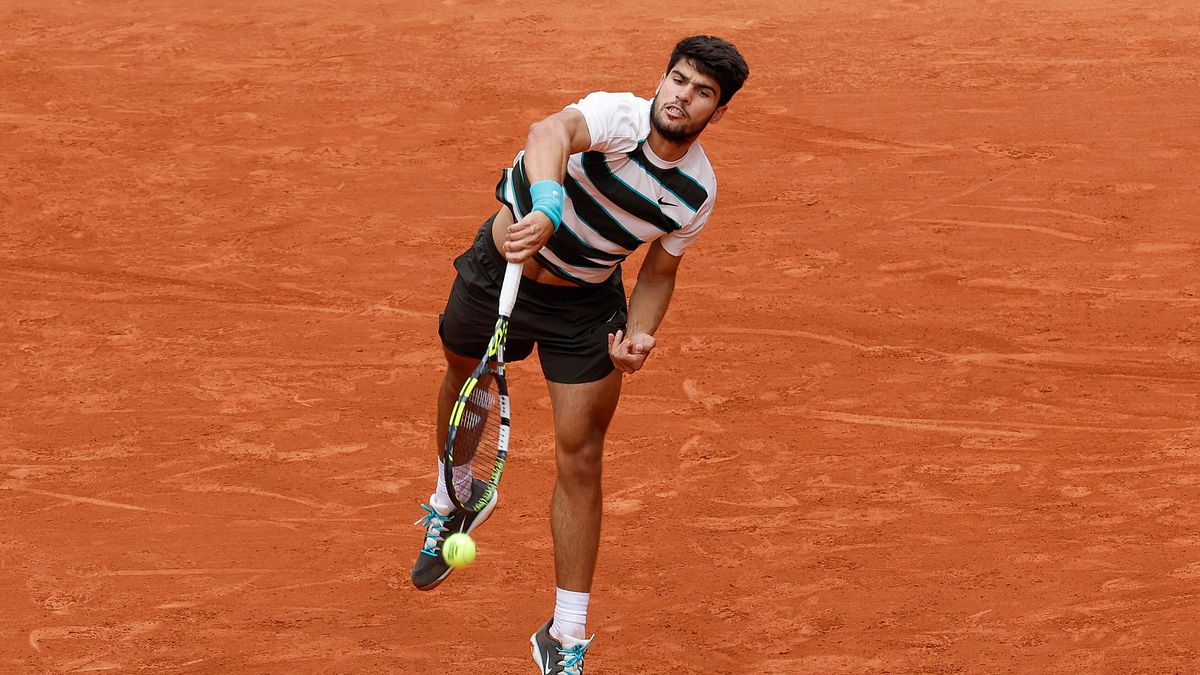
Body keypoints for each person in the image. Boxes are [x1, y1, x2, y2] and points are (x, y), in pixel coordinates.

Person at [411, 35, 749, 674]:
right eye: (678, 80)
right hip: (501, 265)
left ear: (717, 112)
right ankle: (453, 497)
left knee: (583, 454)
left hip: (585, 308)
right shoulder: (618, 117)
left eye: (702, 92)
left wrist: (641, 334)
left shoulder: (696, 192)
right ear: (663, 79)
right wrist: (544, 207)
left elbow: (656, 273)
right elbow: (550, 132)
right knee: (464, 372)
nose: (682, 97)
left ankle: (565, 634)